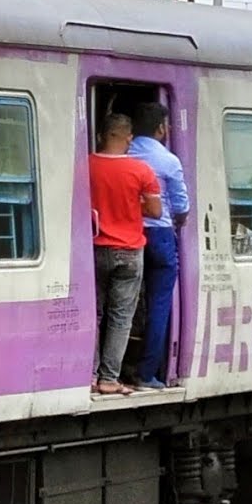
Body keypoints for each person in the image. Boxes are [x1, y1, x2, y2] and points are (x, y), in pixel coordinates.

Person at [90, 114, 162, 395]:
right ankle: (109, 379)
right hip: (130, 250)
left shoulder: (86, 166)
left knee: (95, 314)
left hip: (95, 248)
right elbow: (156, 211)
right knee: (120, 318)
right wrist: (135, 206)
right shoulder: (141, 171)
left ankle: (90, 376)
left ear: (103, 135)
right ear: (126, 136)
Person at [127, 102, 190, 390]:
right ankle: (147, 372)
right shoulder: (169, 161)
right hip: (161, 234)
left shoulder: (125, 155)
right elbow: (181, 207)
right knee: (160, 304)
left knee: (123, 302)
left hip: (126, 232)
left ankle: (113, 368)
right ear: (161, 128)